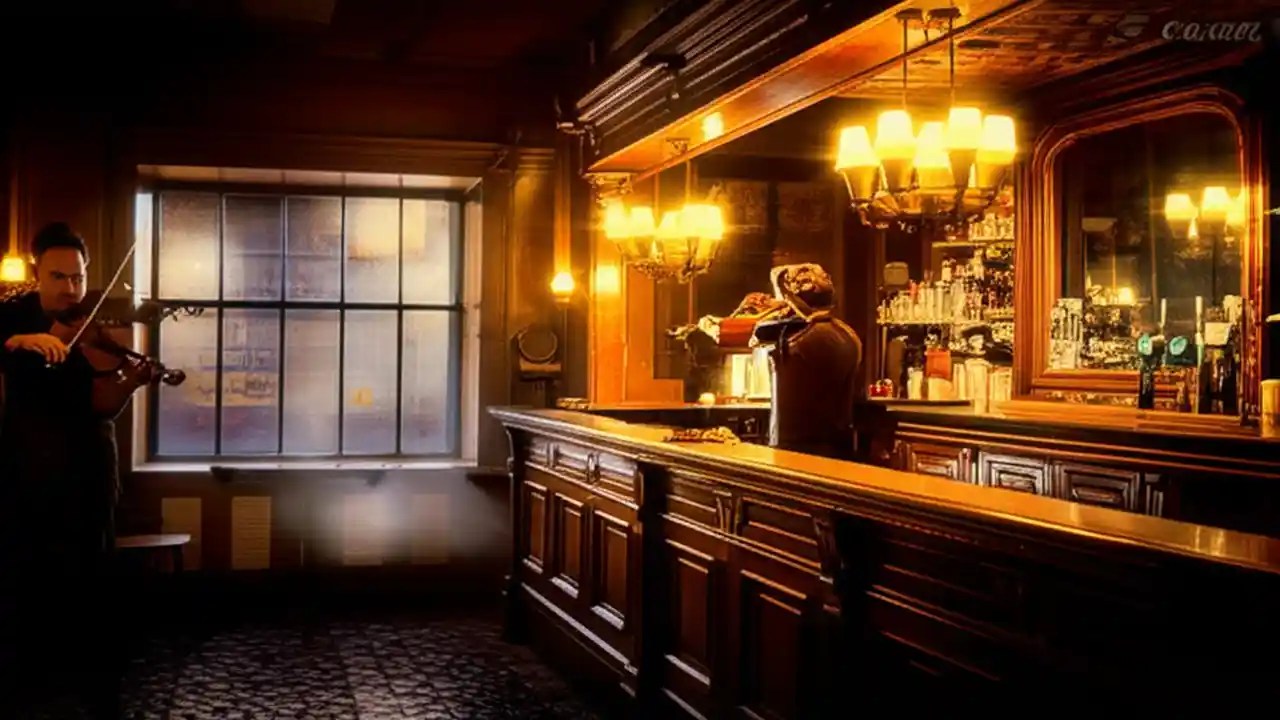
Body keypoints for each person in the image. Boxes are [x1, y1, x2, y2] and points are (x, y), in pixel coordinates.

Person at [0, 222, 122, 718]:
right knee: (31, 570)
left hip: (90, 465)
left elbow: (102, 407)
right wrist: (18, 341)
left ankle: (90, 679)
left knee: (89, 569)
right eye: (59, 278)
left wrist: (128, 383)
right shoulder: (12, 314)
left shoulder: (93, 321)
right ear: (36, 272)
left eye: (77, 278)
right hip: (29, 467)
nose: (70, 290)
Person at [751, 263, 863, 459]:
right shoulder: (843, 332)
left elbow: (758, 332)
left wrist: (783, 289)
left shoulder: (812, 334)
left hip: (799, 445)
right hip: (832, 444)